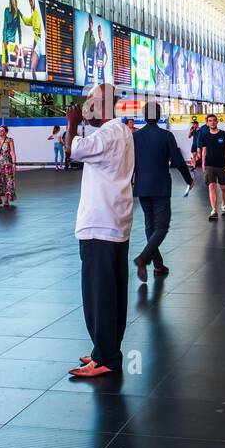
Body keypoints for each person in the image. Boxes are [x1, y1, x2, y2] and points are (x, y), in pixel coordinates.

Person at [64, 83, 135, 378]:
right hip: (115, 221)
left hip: (99, 224)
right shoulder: (120, 131)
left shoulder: (107, 134)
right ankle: (106, 349)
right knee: (113, 290)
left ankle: (105, 356)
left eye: (91, 103)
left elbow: (72, 150)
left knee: (99, 293)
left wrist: (71, 124)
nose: (86, 108)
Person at [131, 102, 194, 280]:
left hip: (142, 186)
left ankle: (158, 265)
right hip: (160, 186)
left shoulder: (135, 137)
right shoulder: (166, 136)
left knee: (150, 226)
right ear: (159, 116)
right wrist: (189, 180)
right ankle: (143, 259)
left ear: (143, 116)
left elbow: (129, 163)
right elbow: (177, 161)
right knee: (162, 227)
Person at [198, 114, 225, 220]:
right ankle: (214, 210)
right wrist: (203, 163)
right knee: (211, 186)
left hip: (222, 165)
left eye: (214, 120)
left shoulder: (224, 134)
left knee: (223, 187)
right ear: (207, 123)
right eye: (210, 121)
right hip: (210, 165)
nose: (212, 122)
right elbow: (204, 151)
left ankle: (224, 203)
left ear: (217, 122)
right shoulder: (205, 136)